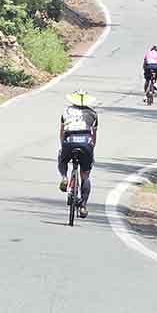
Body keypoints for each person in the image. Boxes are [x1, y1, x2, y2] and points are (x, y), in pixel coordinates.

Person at [58, 89, 98, 219]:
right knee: (85, 175)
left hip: (69, 140)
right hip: (86, 143)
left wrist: (63, 146)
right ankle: (83, 206)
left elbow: (62, 132)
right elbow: (94, 135)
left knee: (62, 159)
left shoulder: (66, 111)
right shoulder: (93, 113)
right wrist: (91, 149)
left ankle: (64, 177)